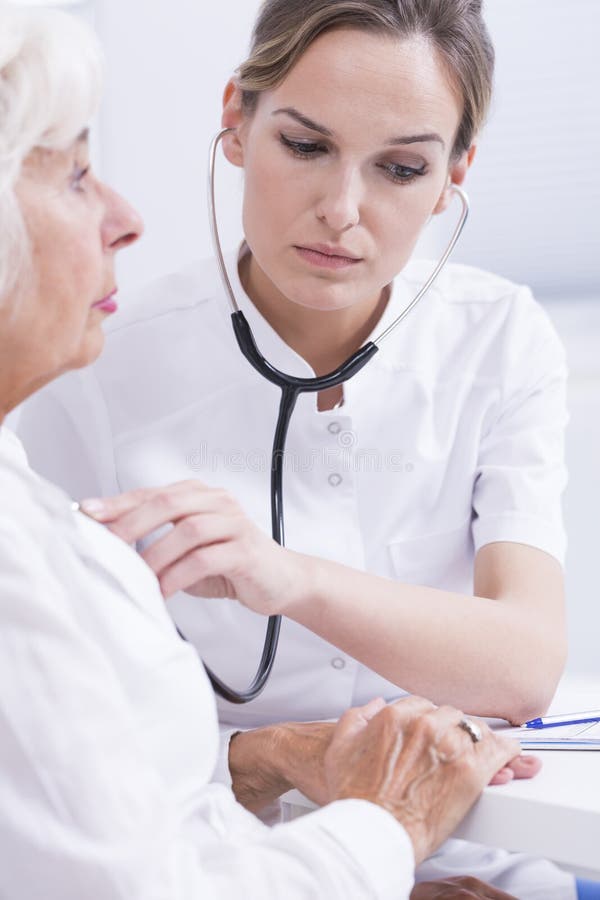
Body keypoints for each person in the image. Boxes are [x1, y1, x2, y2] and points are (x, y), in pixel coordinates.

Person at [15, 0, 579, 896]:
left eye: (400, 167)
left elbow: (523, 665)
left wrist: (289, 577)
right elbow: (57, 731)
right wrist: (321, 811)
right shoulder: (92, 356)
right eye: (306, 146)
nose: (342, 212)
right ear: (236, 122)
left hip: (481, 841)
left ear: (453, 175)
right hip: (217, 846)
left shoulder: (497, 337)